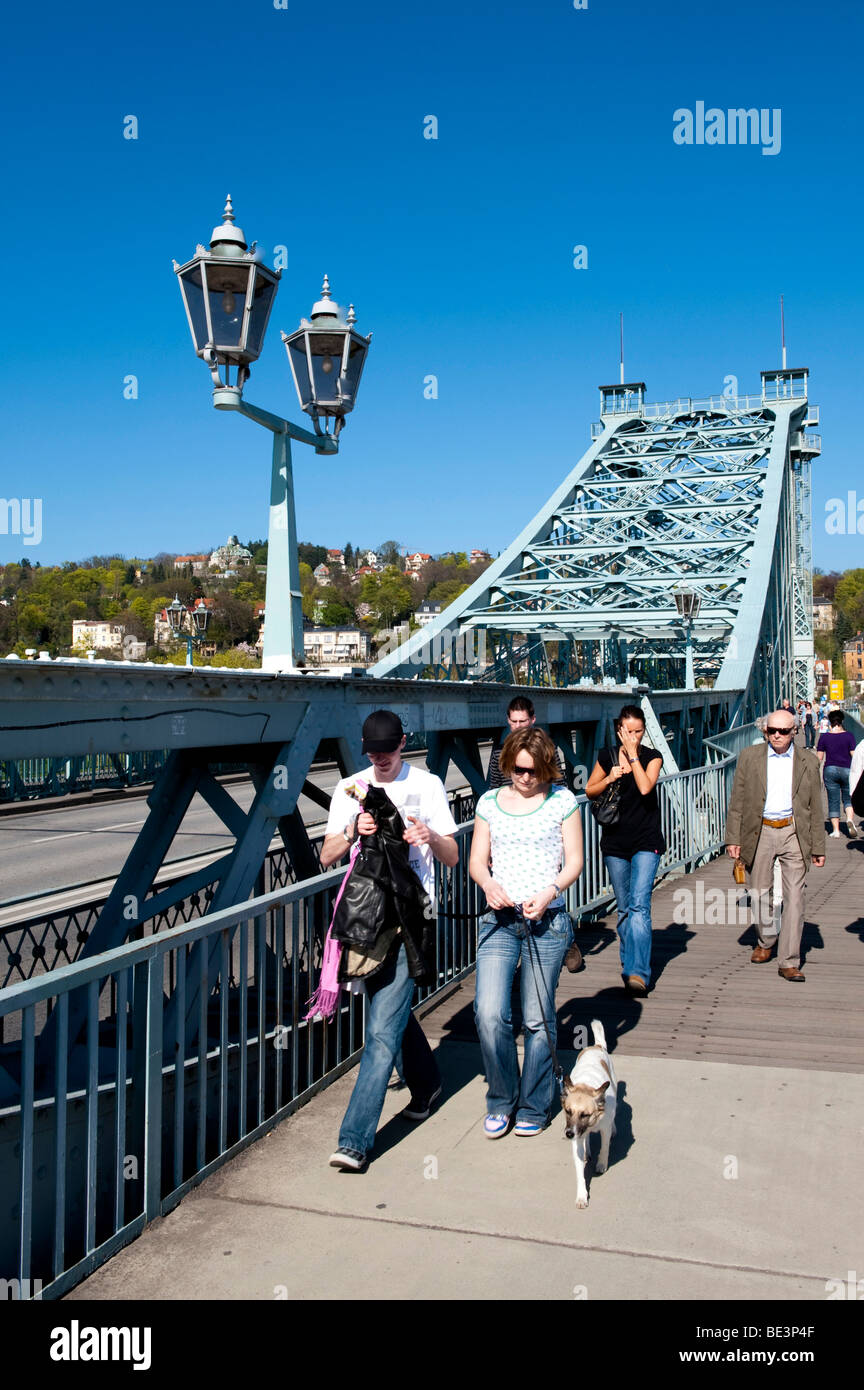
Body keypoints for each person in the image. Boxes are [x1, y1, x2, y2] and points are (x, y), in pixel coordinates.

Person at [322, 710, 459, 1171]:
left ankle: (355, 1142)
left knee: (380, 1033)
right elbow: (326, 855)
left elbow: (454, 856)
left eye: (389, 751)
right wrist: (350, 830)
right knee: (391, 1015)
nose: (380, 759)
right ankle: (428, 1084)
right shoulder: (352, 788)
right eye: (374, 753)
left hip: (415, 915)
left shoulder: (430, 784)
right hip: (369, 920)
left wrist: (430, 836)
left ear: (405, 743)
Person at [469, 728, 583, 1137]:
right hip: (499, 921)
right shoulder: (489, 802)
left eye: (534, 771)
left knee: (537, 1018)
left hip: (546, 923)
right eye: (518, 770)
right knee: (489, 1014)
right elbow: (477, 862)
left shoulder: (563, 801)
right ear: (508, 765)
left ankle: (535, 1103)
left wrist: (551, 890)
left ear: (546, 768)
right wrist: (488, 885)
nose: (526, 778)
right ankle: (501, 1097)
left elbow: (575, 861)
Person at [725, 708, 825, 982]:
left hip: (794, 832)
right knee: (758, 892)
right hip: (760, 831)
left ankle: (789, 961)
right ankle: (766, 939)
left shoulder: (808, 760)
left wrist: (819, 846)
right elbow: (738, 801)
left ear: (795, 731)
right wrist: (733, 837)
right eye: (772, 731)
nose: (777, 736)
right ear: (764, 731)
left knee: (795, 898)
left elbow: (816, 806)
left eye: (783, 731)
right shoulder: (749, 757)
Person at [585, 704, 665, 997]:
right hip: (615, 842)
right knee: (623, 908)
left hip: (646, 841)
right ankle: (629, 962)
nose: (633, 736)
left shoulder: (652, 757)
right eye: (628, 731)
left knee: (639, 905)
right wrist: (611, 777)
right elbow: (590, 790)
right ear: (619, 729)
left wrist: (633, 757)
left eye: (639, 731)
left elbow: (645, 788)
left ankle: (638, 973)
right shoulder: (606, 755)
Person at [816, 709, 858, 838]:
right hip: (846, 770)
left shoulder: (825, 737)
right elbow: (854, 756)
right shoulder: (849, 736)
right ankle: (849, 820)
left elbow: (819, 758)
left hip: (830, 770)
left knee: (833, 800)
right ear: (842, 721)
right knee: (848, 798)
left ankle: (836, 830)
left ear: (830, 722)